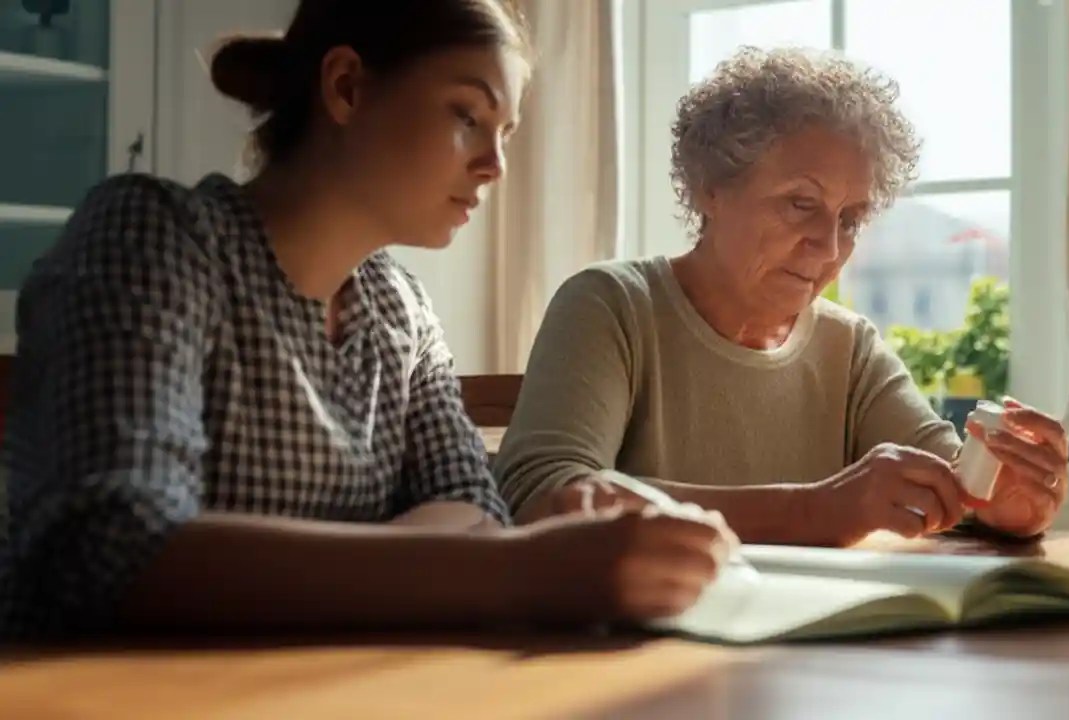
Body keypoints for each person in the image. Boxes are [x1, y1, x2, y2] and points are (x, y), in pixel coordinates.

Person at [0, 0, 732, 639]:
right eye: (468, 115)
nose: (495, 165)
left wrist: (467, 555)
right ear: (346, 87)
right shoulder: (153, 237)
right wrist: (512, 569)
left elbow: (476, 508)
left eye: (504, 131)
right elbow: (113, 547)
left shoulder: (399, 307)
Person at [497, 47, 1069, 545]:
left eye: (851, 218)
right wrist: (814, 510)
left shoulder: (849, 350)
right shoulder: (611, 306)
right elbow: (545, 495)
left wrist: (1003, 502)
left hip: (803, 660)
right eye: (801, 204)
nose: (827, 247)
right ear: (710, 188)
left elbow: (946, 484)